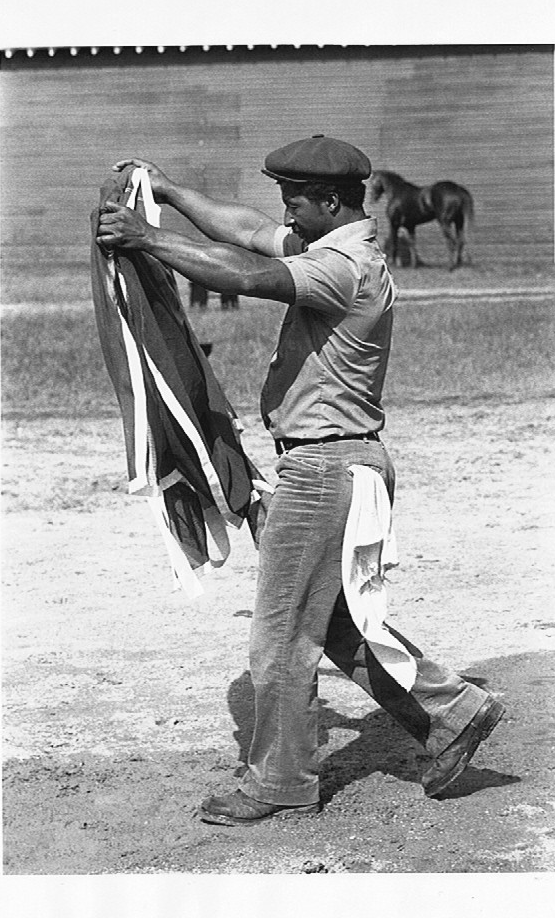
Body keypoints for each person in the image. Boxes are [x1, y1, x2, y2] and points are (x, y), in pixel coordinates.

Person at [96, 134, 505, 826]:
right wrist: (168, 192)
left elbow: (247, 274)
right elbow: (250, 232)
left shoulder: (343, 267)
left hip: (325, 468)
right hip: (339, 462)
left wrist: (145, 240)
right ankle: (453, 710)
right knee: (339, 625)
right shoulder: (337, 246)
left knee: (282, 632)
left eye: (295, 198)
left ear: (332, 201)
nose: (282, 209)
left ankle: (280, 778)